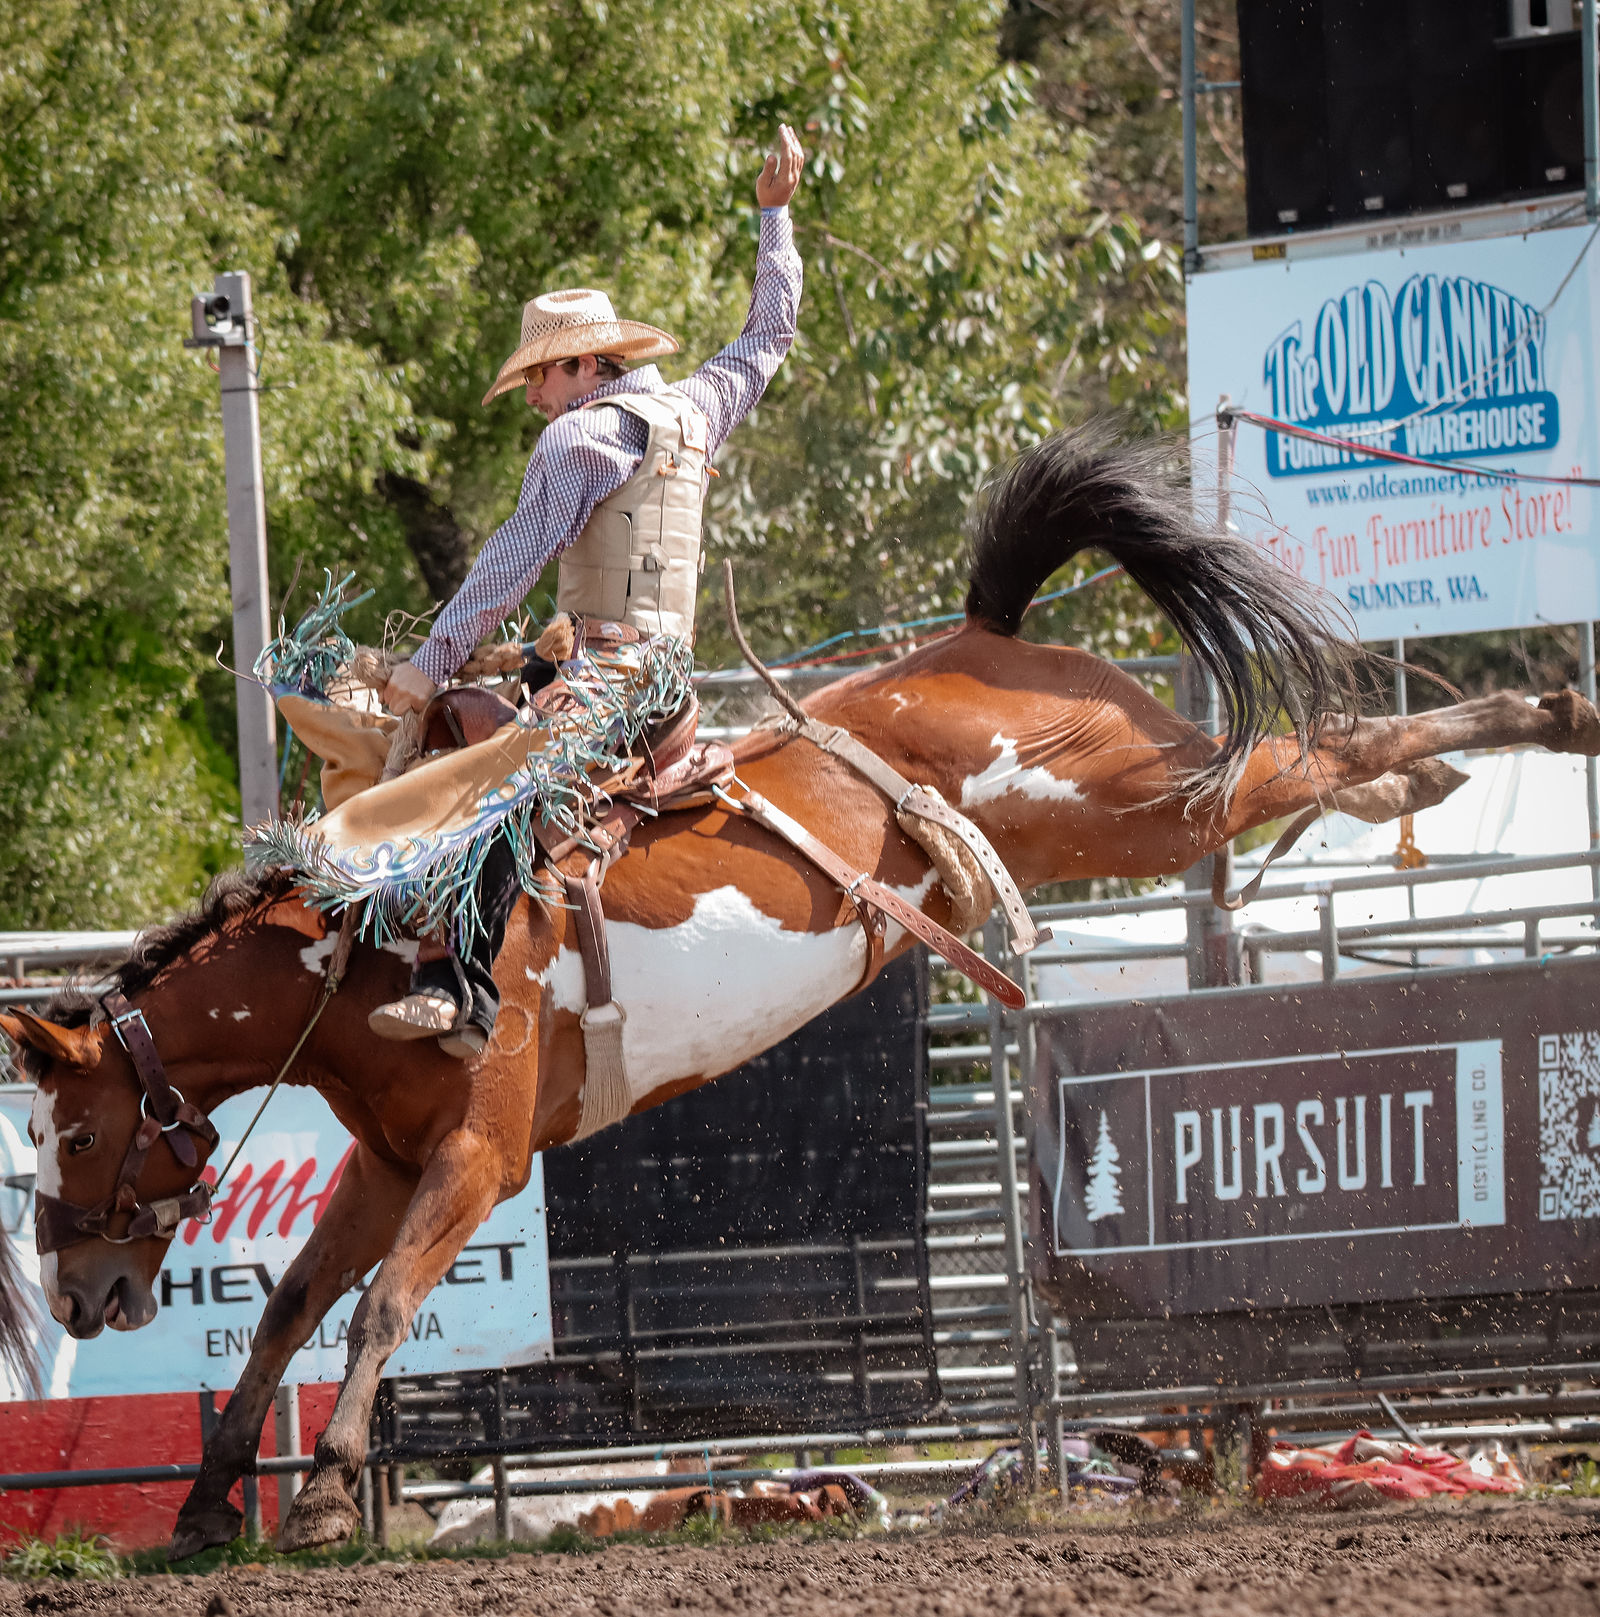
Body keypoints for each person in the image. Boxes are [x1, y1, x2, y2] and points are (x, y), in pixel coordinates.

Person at [366, 124, 806, 1054]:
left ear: (582, 366)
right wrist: (775, 219)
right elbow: (768, 338)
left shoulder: (579, 438)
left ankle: (458, 987)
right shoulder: (693, 408)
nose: (533, 397)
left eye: (538, 376)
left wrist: (429, 661)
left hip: (608, 679)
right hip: (664, 674)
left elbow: (511, 561)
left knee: (495, 778)